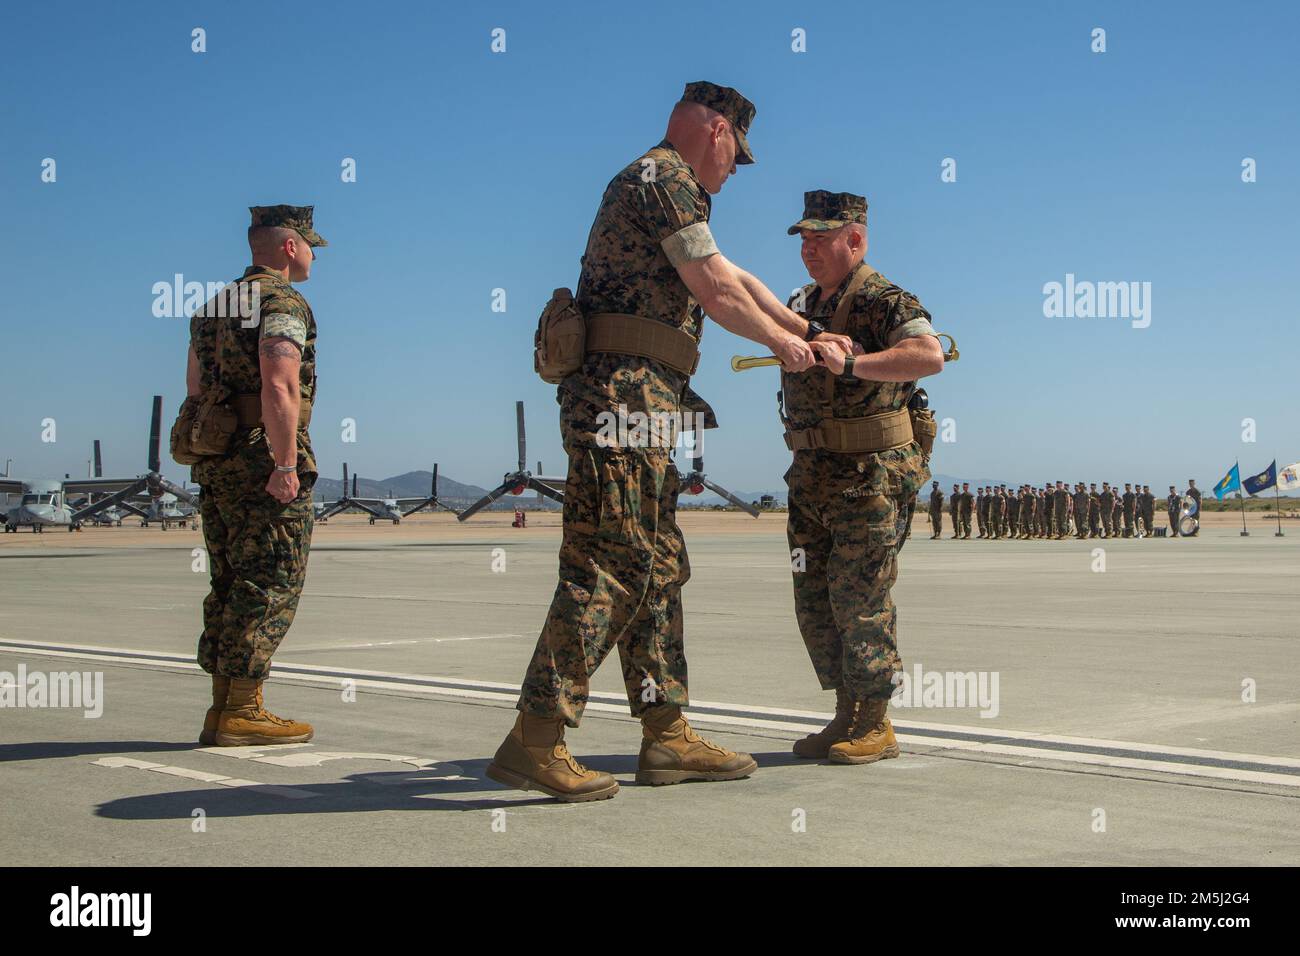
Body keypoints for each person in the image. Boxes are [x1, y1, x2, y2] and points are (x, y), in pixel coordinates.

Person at [488, 82, 839, 802]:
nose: (734, 171)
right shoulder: (662, 177)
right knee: (611, 561)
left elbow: (734, 274)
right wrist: (784, 344)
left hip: (645, 402)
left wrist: (803, 329)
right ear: (717, 130)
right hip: (618, 398)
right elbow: (714, 287)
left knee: (656, 564)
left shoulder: (671, 189)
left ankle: (666, 733)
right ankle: (535, 737)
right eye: (736, 155)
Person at [782, 189, 945, 765]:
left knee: (861, 598)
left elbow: (928, 355)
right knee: (816, 600)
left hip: (867, 479)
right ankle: (845, 714)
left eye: (820, 239)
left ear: (855, 238)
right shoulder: (802, 303)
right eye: (803, 239)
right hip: (811, 479)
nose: (809, 250)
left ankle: (876, 721)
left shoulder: (882, 299)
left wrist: (853, 364)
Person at [188, 204, 325, 747]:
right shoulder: (281, 300)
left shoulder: (212, 306)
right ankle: (244, 707)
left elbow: (195, 390)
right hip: (259, 455)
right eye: (312, 245)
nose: (315, 255)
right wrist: (286, 462)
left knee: (228, 577)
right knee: (271, 578)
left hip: (216, 457)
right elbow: (280, 384)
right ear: (290, 246)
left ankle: (223, 708)